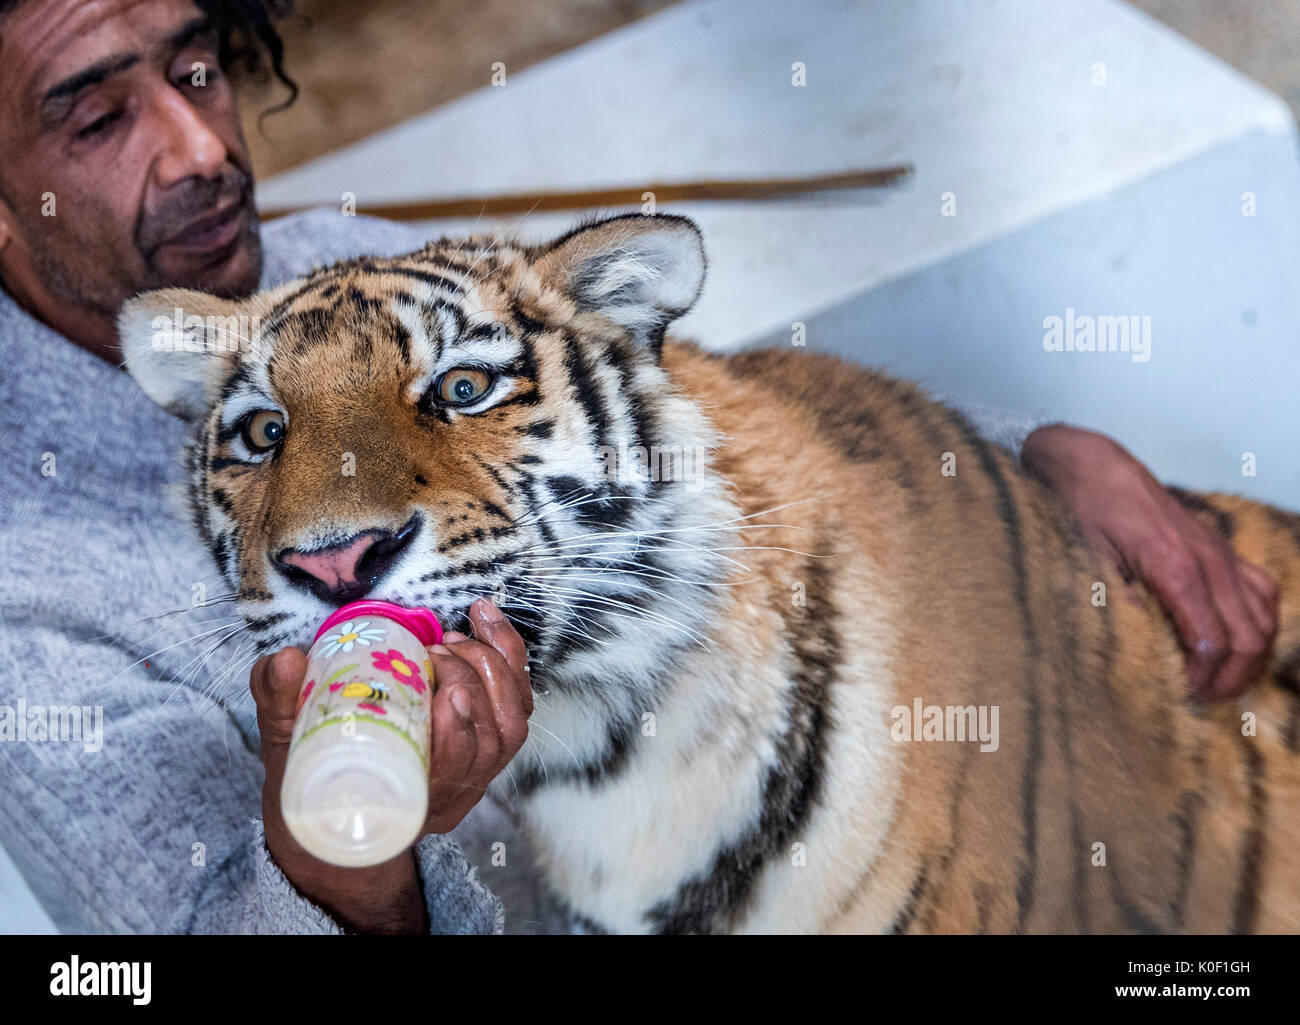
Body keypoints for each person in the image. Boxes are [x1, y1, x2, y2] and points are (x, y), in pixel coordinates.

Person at [0, 0, 1278, 934]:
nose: (202, 151)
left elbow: (664, 405)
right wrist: (353, 869)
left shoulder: (324, 256)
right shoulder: (29, 609)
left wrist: (1036, 447)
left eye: (197, 67)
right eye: (100, 115)